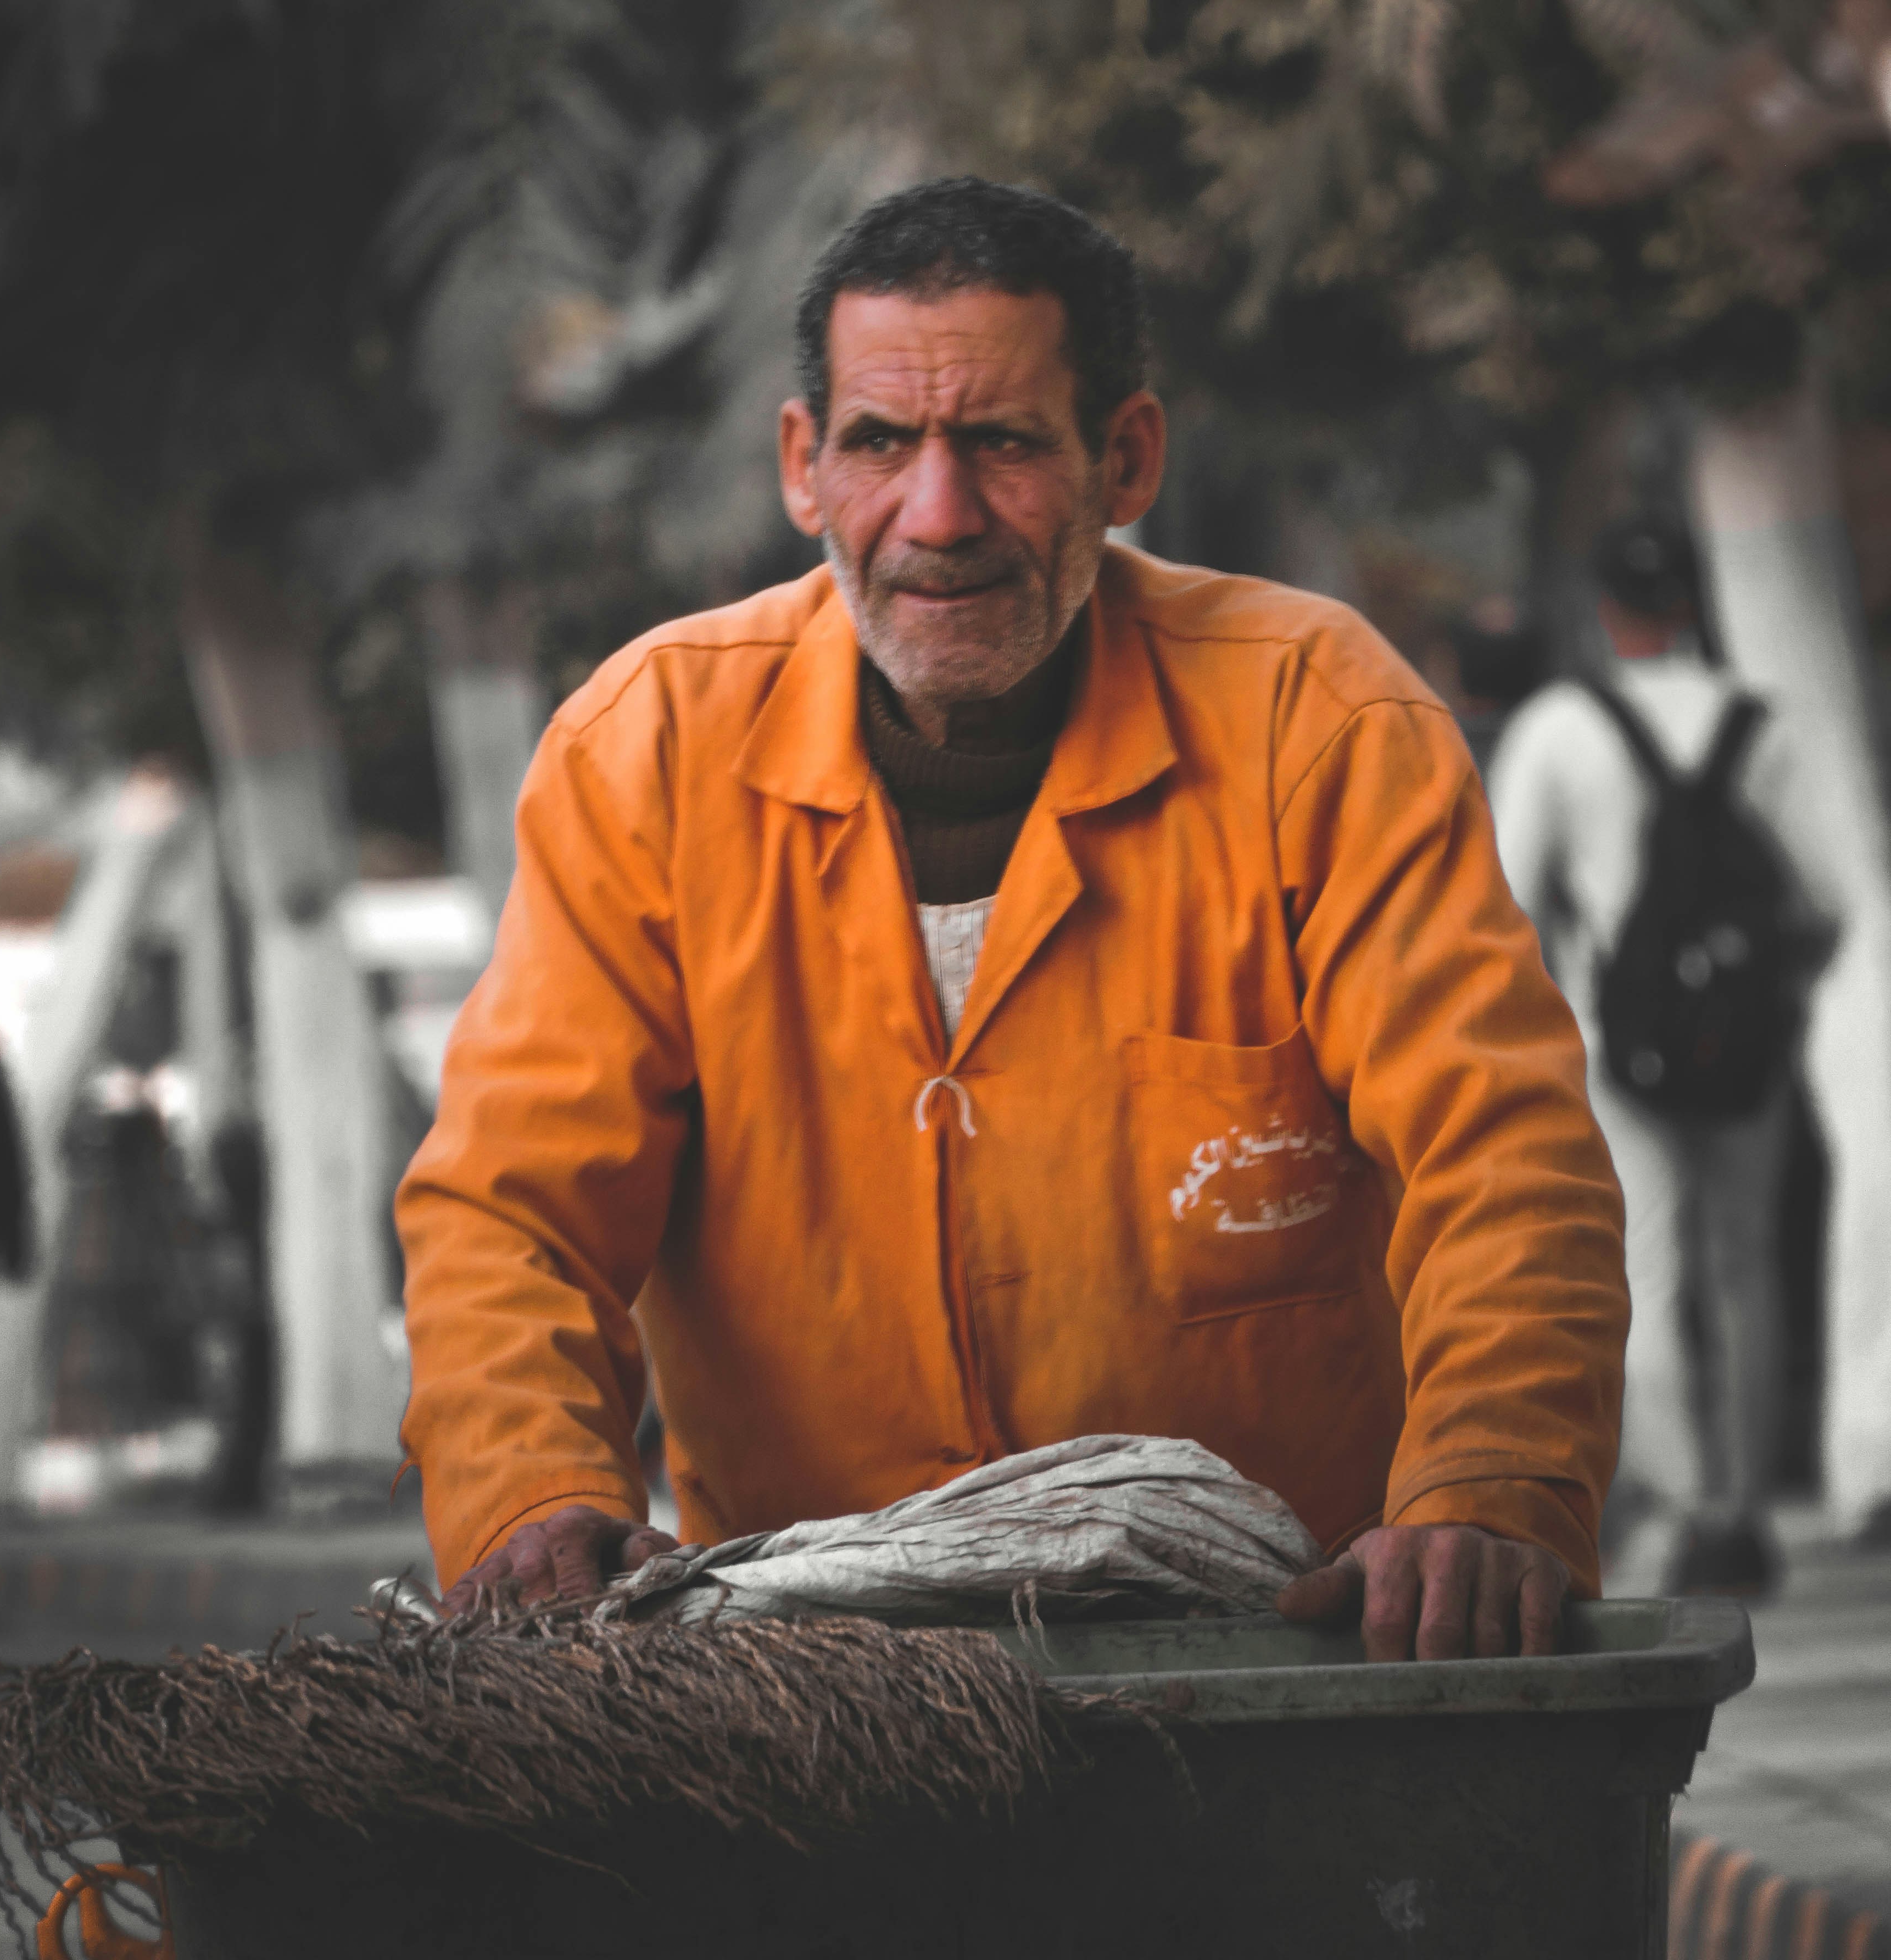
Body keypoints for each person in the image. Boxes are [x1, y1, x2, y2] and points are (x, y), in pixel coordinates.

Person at [398, 176, 1628, 1662]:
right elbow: (511, 1212)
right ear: (804, 465)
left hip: (1279, 1664)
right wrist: (530, 1493)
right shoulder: (642, 753)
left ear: (1126, 456)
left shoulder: (1316, 718)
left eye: (1000, 443)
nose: (939, 517)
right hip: (820, 1686)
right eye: (881, 444)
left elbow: (1502, 1150)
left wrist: (1494, 1479)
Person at [1489, 512, 1829, 1595]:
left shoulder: (1561, 727)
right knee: (1748, 1263)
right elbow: (1819, 900)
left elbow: (1507, 899)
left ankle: (1682, 1510)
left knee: (1645, 1265)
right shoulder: (1768, 726)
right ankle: (1744, 1513)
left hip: (1618, 1048)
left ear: (1606, 613)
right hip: (1752, 1047)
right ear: (1694, 604)